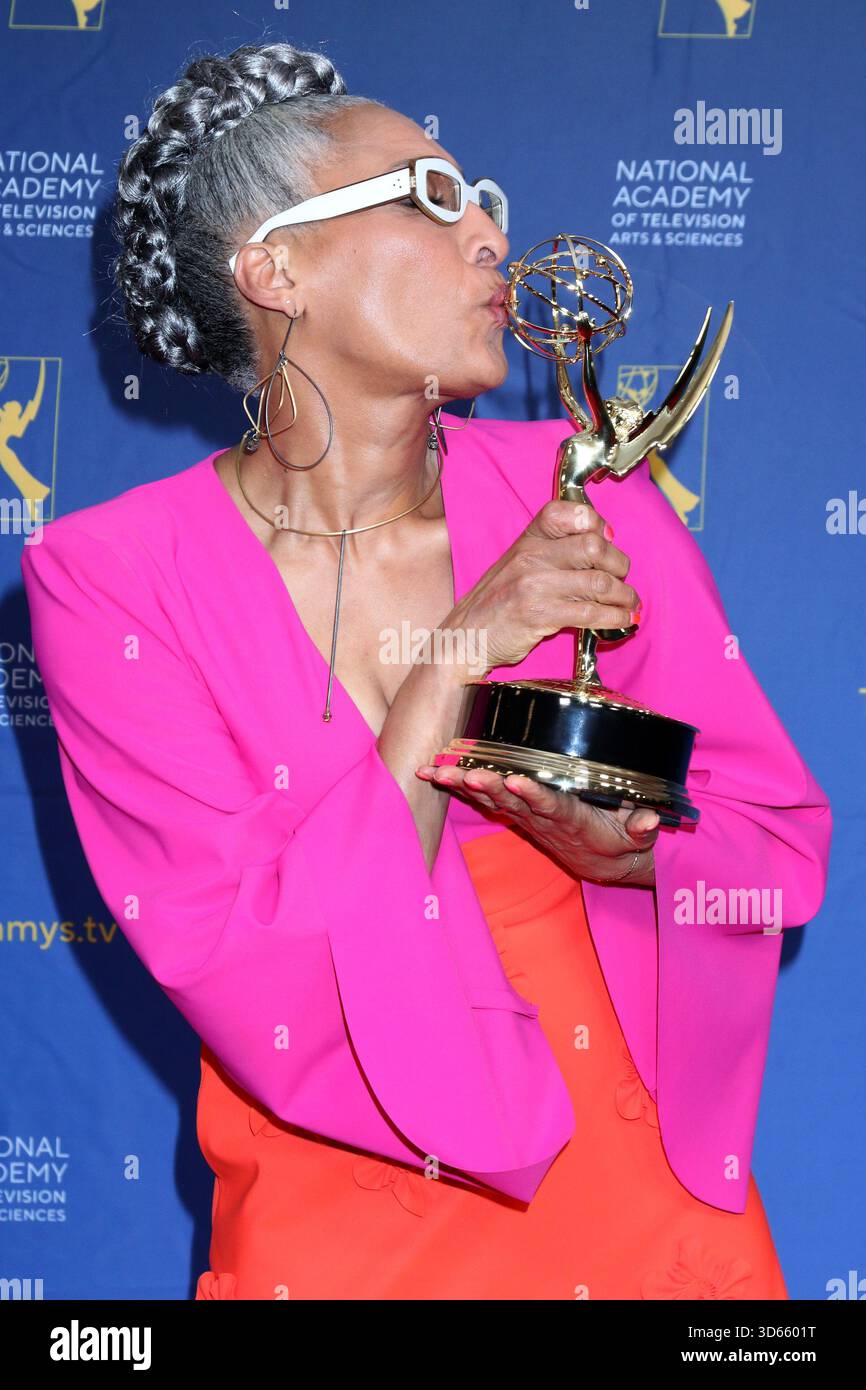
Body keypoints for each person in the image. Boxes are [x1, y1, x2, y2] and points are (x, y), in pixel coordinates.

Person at [21, 41, 831, 1301]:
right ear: (273, 267)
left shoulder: (581, 494)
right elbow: (238, 963)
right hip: (335, 1223)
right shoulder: (111, 577)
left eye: (487, 202)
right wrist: (462, 649)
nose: (489, 237)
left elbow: (768, 844)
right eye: (433, 196)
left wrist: (626, 851)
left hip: (644, 1224)